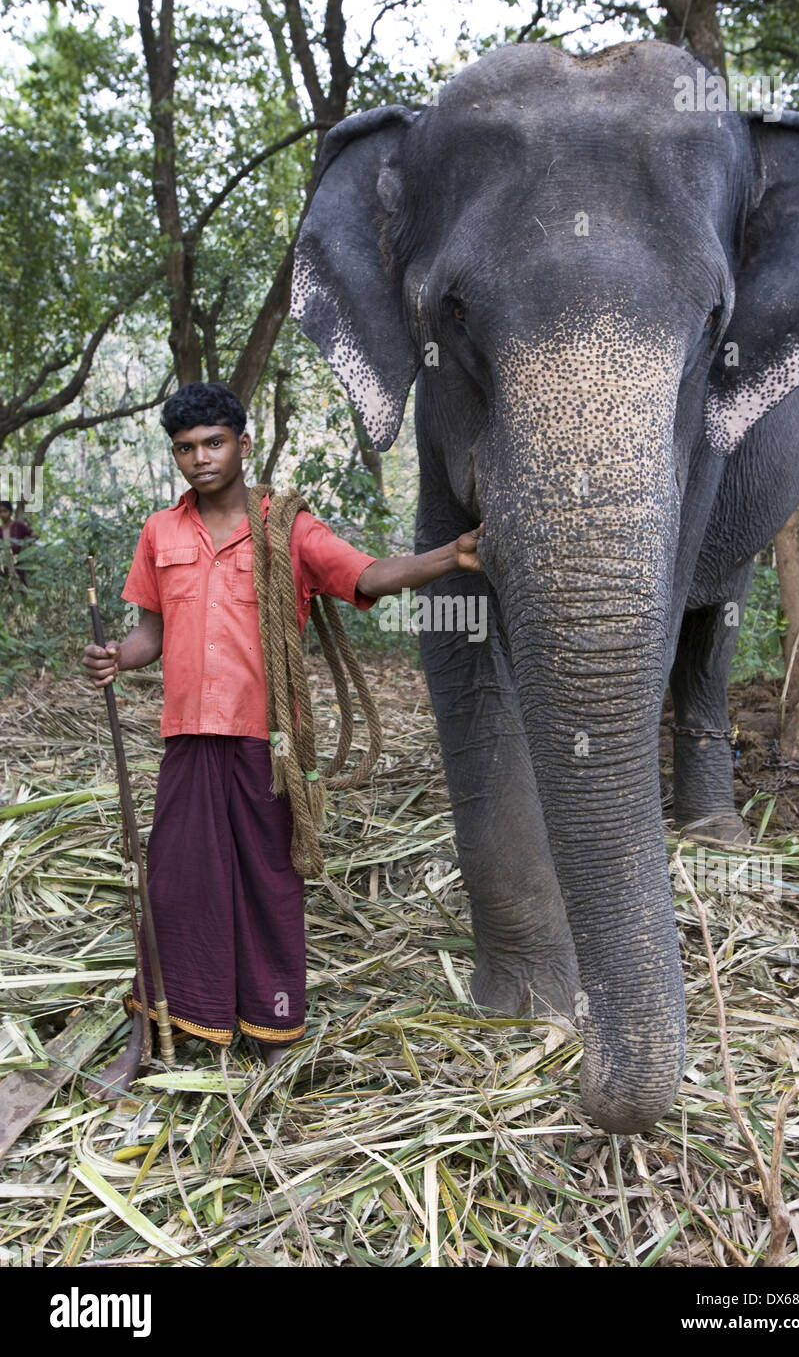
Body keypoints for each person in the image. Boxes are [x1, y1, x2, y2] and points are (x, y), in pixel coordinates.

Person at [81, 381, 484, 1096]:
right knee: (172, 886)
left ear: (242, 442)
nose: (199, 459)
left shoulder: (286, 527)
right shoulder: (160, 533)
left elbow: (367, 575)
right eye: (185, 448)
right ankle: (151, 1034)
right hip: (189, 741)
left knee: (270, 883)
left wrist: (448, 556)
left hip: (266, 744)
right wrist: (118, 657)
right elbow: (151, 634)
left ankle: (274, 1033)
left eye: (213, 443)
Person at [0, 500, 37, 589]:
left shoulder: (18, 525)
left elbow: (33, 534)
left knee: (20, 586)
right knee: (6, 588)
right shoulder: (0, 529)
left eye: (5, 511)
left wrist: (27, 544)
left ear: (10, 512)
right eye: (0, 512)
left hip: (17, 561)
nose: (2, 514)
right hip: (4, 563)